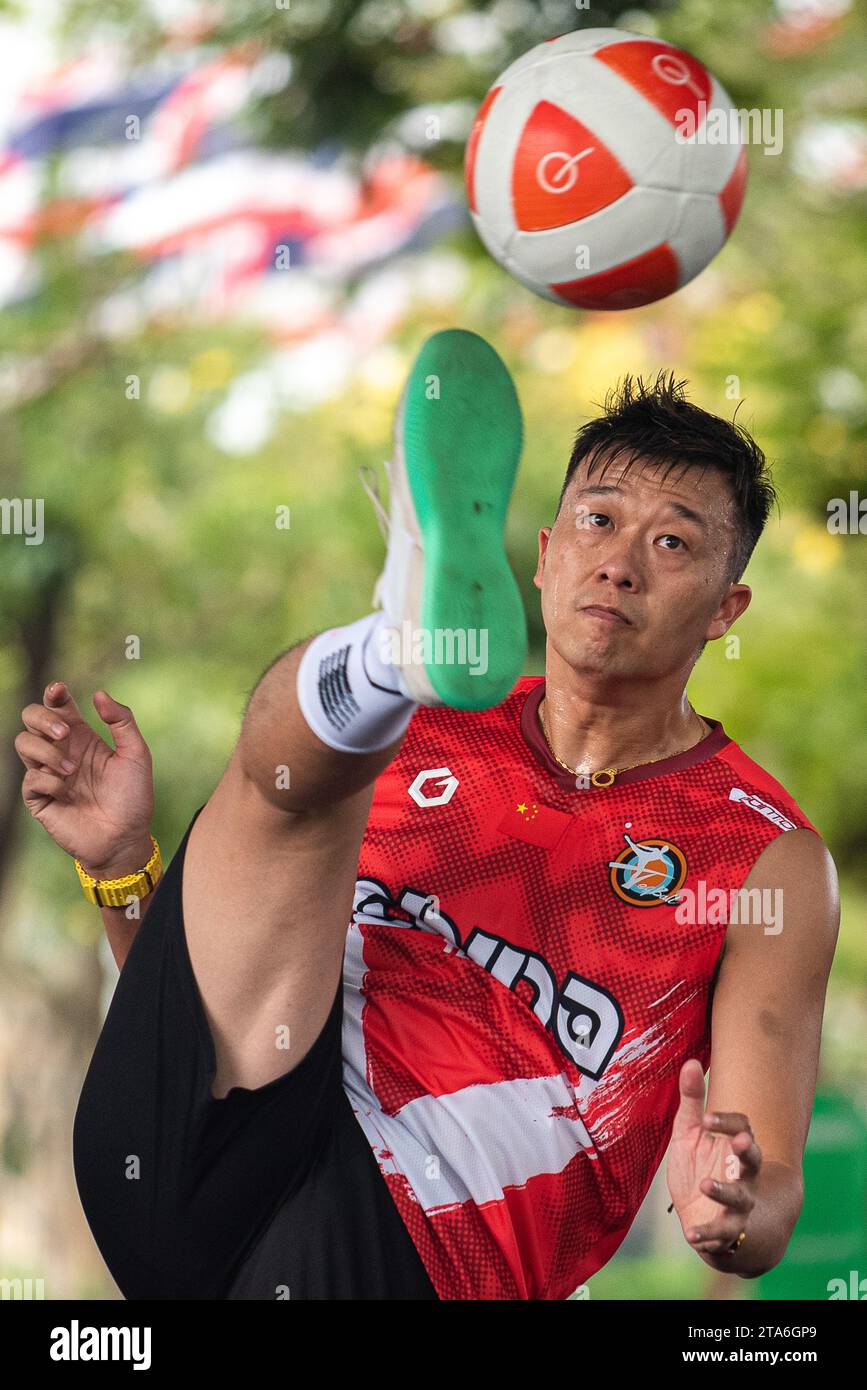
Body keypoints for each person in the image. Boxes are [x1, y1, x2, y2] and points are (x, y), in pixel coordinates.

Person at [16, 330, 839, 1300]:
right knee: (289, 798)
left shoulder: (763, 855)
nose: (619, 564)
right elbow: (216, 989)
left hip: (411, 1241)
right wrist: (120, 864)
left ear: (724, 608)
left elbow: (767, 1190)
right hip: (185, 1142)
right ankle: (392, 643)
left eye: (671, 541)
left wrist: (731, 1213)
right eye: (598, 519)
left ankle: (386, 639)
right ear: (541, 555)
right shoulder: (431, 725)